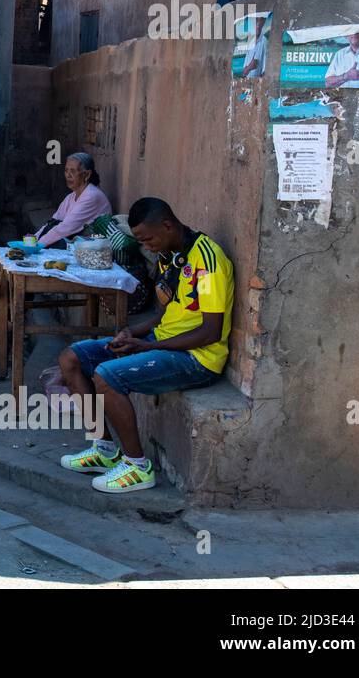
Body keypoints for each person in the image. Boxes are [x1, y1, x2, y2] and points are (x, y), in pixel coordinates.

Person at [57, 198, 233, 494]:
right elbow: (166, 313)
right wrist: (129, 332)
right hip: (161, 343)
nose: (147, 247)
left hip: (197, 357)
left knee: (107, 377)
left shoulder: (207, 261)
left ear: (167, 226)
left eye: (148, 239)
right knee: (71, 358)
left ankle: (138, 467)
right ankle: (103, 449)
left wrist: (146, 348)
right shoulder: (169, 256)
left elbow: (210, 331)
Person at [0, 152, 112, 317]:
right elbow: (53, 222)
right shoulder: (72, 197)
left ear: (87, 174)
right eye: (66, 170)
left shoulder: (92, 196)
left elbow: (64, 228)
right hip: (74, 247)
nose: (68, 175)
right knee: (23, 263)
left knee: (28, 264)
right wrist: (33, 240)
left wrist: (36, 245)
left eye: (73, 171)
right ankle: (6, 317)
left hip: (90, 252)